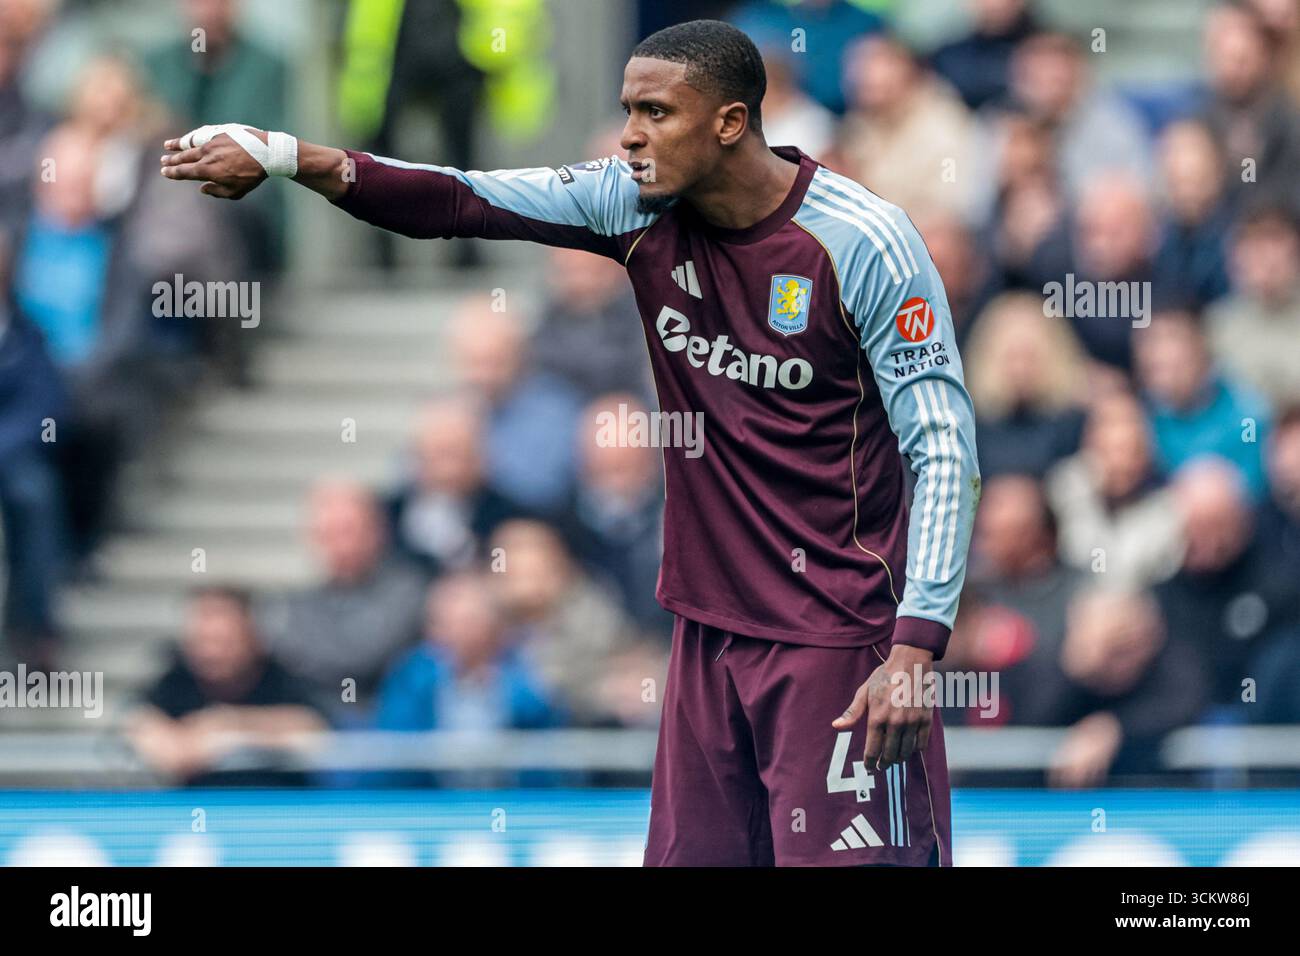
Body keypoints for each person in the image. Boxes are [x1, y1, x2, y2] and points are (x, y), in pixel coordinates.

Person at [159, 19, 981, 867]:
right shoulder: (631, 202)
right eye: (629, 110)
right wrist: (291, 156)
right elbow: (457, 197)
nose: (630, 134)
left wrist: (918, 645)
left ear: (731, 123)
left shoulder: (865, 242)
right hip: (708, 635)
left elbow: (945, 450)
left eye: (656, 113)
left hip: (842, 640)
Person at [127, 586, 326, 786]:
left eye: (225, 642)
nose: (212, 654)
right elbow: (143, 723)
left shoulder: (283, 678)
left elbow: (312, 728)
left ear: (253, 638)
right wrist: (173, 743)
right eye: (203, 641)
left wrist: (228, 726)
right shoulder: (175, 681)